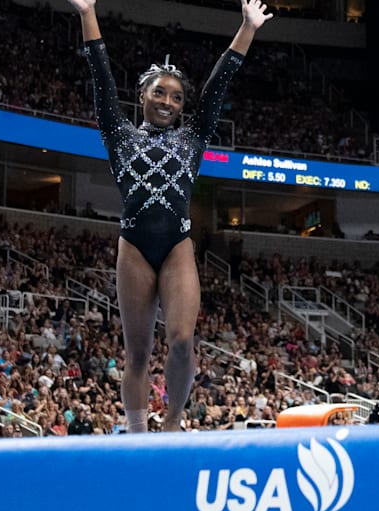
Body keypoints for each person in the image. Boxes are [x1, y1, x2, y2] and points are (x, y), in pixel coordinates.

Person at [67, 0, 272, 432]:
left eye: (176, 97)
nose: (166, 101)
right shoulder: (117, 134)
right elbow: (100, 77)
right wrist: (88, 13)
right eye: (159, 92)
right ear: (142, 95)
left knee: (181, 342)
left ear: (183, 106)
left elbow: (220, 83)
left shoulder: (195, 135)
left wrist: (247, 27)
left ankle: (173, 425)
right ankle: (139, 434)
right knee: (137, 353)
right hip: (135, 248)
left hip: (177, 246)